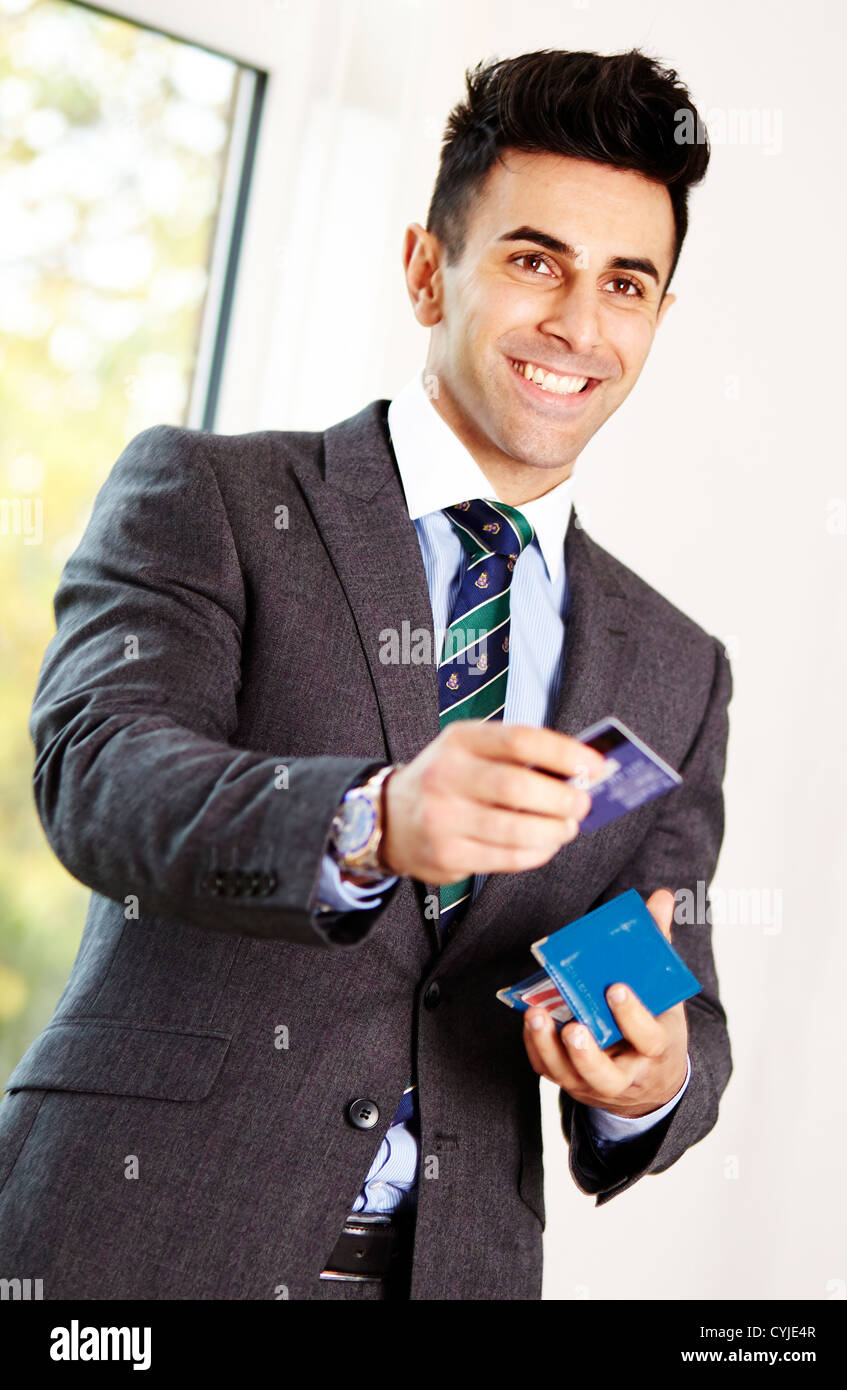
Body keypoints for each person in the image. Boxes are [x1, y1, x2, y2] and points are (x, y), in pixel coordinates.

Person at [0, 47, 732, 1301]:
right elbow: (98, 772)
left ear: (656, 319)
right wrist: (374, 819)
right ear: (425, 269)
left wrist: (648, 1078)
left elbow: (679, 989)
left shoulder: (675, 664)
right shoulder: (216, 496)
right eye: (532, 260)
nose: (575, 321)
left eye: (624, 283)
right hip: (144, 1240)